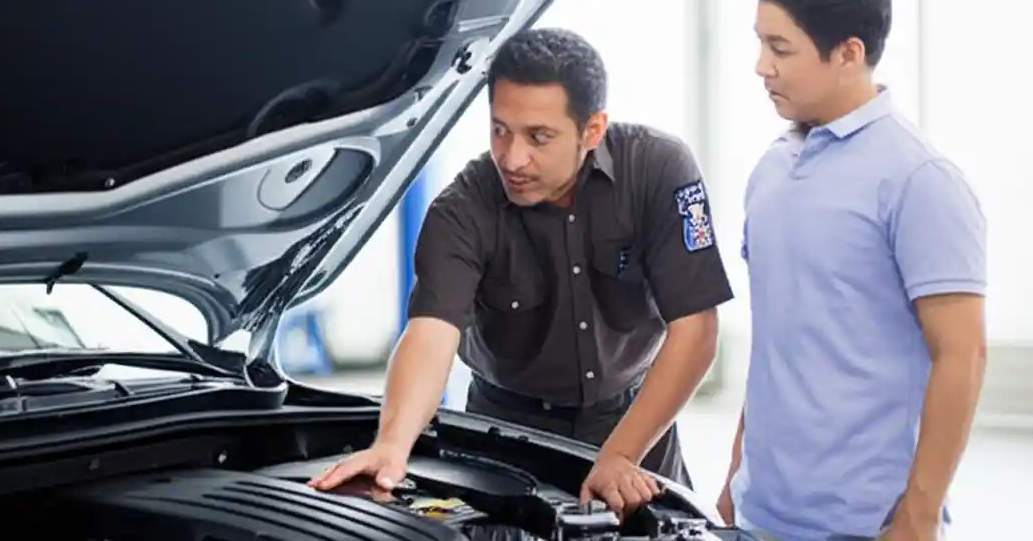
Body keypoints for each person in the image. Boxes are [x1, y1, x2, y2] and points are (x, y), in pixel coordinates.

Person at [307, 27, 735, 515]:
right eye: (499, 129)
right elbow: (429, 334)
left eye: (539, 137)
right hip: (505, 434)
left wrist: (620, 454)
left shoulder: (657, 170)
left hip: (637, 425)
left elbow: (696, 332)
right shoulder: (462, 210)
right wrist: (392, 444)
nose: (512, 157)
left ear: (592, 131)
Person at [717, 0, 988, 540]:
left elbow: (963, 356)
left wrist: (918, 517)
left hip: (865, 526)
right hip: (758, 513)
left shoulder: (919, 180)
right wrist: (738, 471)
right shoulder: (772, 169)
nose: (761, 66)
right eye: (760, 43)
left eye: (780, 48)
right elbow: (781, 339)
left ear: (849, 53)